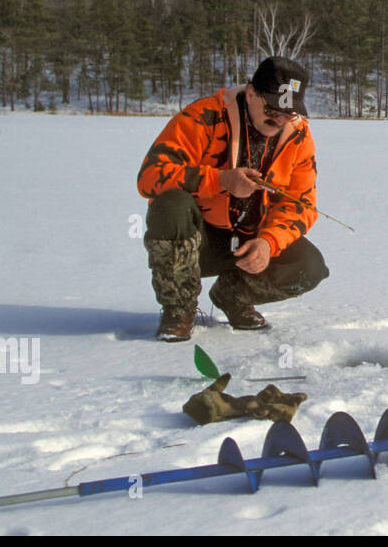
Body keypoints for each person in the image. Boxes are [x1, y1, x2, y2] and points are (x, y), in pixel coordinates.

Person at [136, 57, 329, 341]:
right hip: (197, 242)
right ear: (251, 93)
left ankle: (233, 296)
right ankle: (179, 309)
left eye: (288, 114)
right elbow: (150, 177)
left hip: (249, 241)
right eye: (271, 109)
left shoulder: (298, 136)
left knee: (309, 266)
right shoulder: (204, 116)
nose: (278, 120)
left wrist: (268, 242)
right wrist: (221, 180)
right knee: (171, 204)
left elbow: (300, 205)